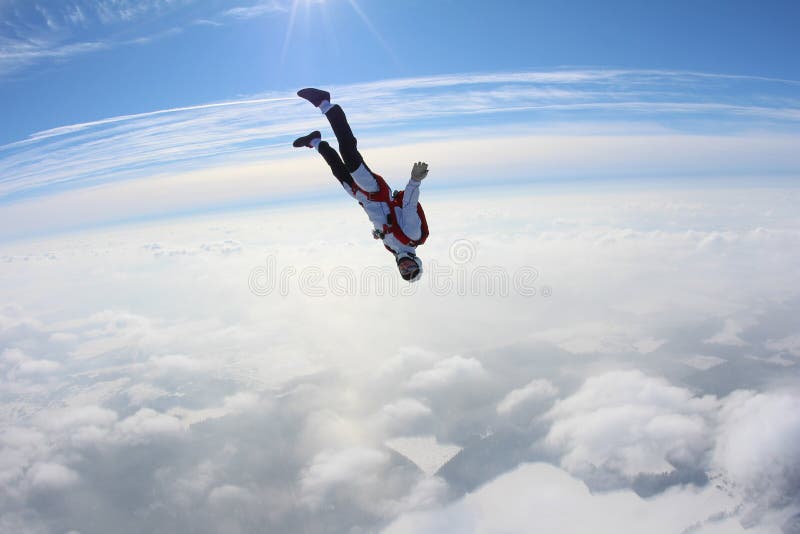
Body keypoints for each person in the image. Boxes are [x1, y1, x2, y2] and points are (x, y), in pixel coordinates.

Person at [292, 88, 430, 282]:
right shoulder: (412, 236)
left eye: (404, 272)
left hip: (363, 197)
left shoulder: (393, 248)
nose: (405, 267)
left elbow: (385, 222)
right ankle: (324, 103)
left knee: (337, 168)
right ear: (417, 262)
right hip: (374, 191)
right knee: (349, 153)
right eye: (411, 268)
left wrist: (378, 232)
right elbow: (409, 205)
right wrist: (415, 180)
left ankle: (314, 141)